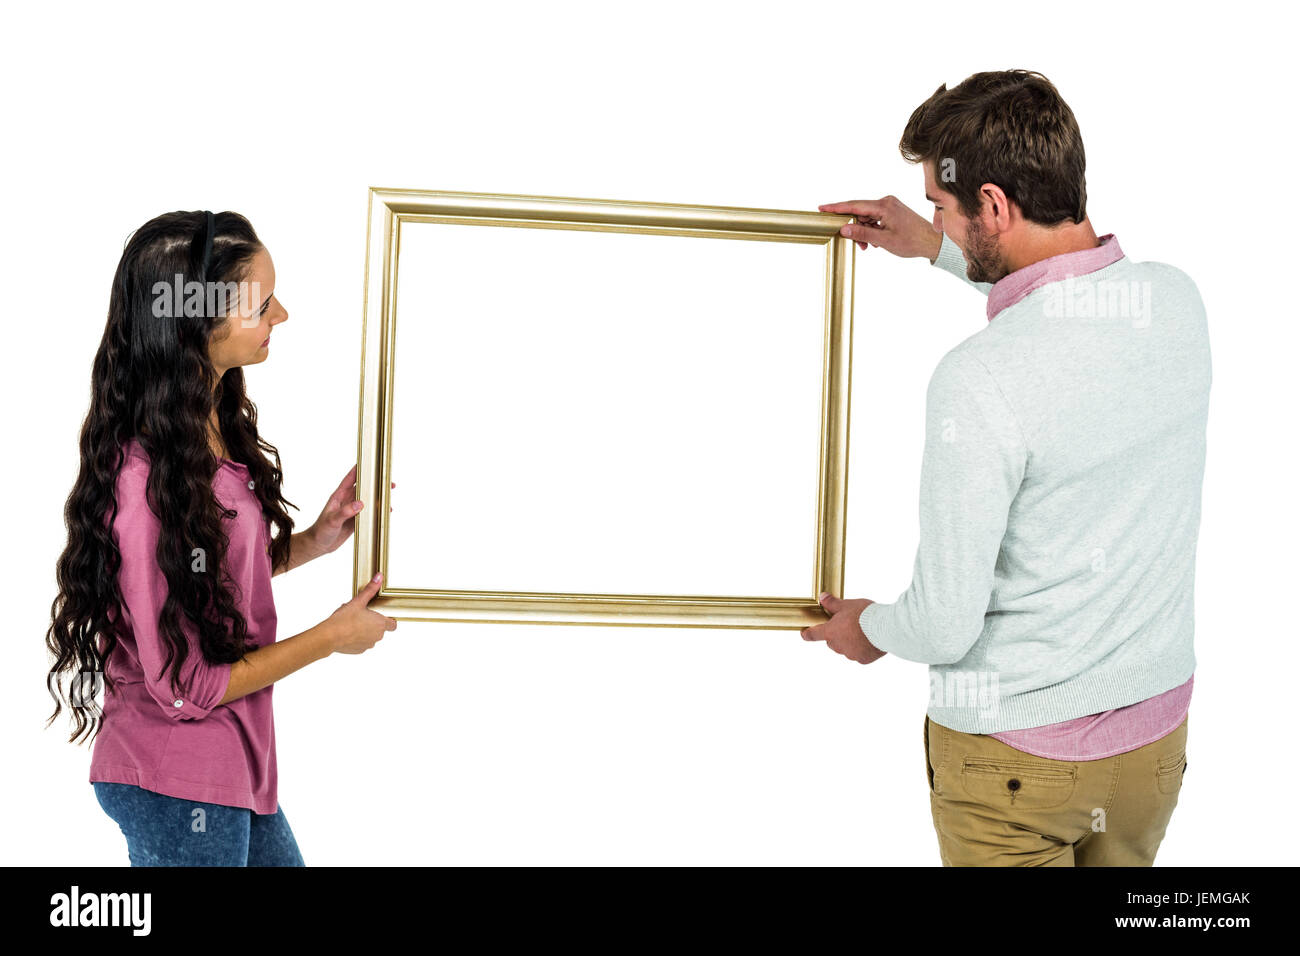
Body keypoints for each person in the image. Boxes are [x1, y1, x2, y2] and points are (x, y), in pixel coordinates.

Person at [805, 70, 1208, 866]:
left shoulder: (978, 379)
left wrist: (871, 630)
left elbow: (943, 624)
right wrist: (940, 253)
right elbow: (1067, 329)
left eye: (940, 206)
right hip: (1151, 747)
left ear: (992, 205)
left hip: (1015, 764)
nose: (933, 218)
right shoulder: (1175, 303)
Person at [45, 209, 398, 866]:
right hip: (179, 782)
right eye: (261, 305)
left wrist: (317, 538)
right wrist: (331, 637)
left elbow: (207, 575)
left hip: (230, 760)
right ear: (195, 325)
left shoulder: (205, 423)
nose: (282, 315)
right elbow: (185, 687)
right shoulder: (140, 486)